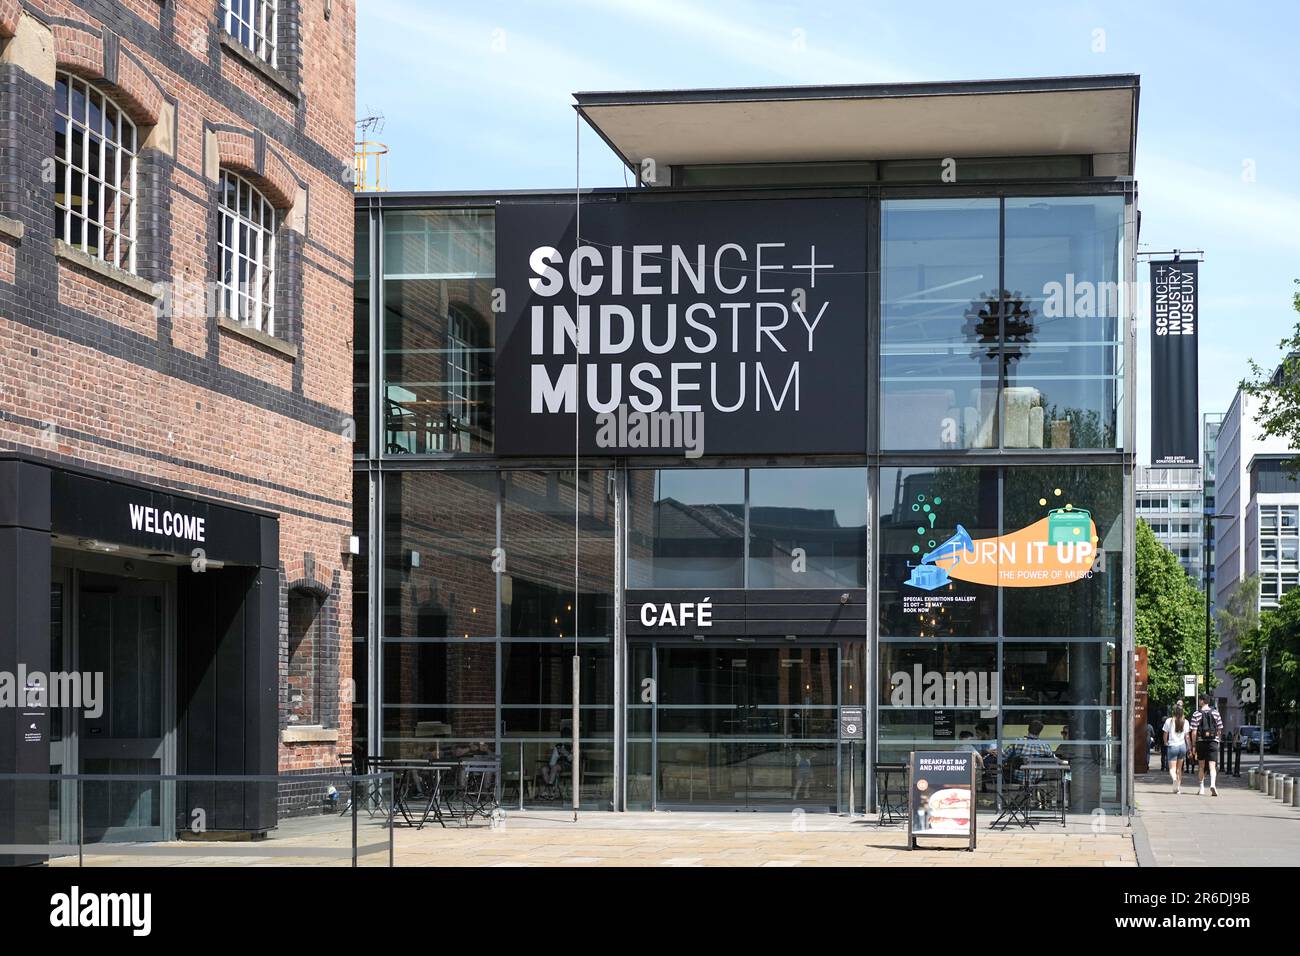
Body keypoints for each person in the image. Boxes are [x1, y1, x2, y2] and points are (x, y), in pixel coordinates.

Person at [1190, 695, 1223, 796]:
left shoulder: (1196, 714)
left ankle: (1201, 788)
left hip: (1200, 742)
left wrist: (1193, 746)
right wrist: (1217, 740)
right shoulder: (1215, 713)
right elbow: (1220, 728)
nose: (1199, 701)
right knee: (1212, 766)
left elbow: (1194, 731)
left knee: (1201, 766)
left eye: (1200, 700)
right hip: (1213, 741)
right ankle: (1213, 784)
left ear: (1202, 701)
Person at [1162, 701, 1191, 794]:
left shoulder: (1169, 721)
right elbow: (1187, 736)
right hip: (1182, 746)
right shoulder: (1185, 721)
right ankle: (1178, 787)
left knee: (1172, 769)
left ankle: (1174, 779)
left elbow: (1165, 733)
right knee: (1179, 769)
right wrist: (1189, 747)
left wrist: (1166, 742)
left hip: (1172, 746)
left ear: (1173, 712)